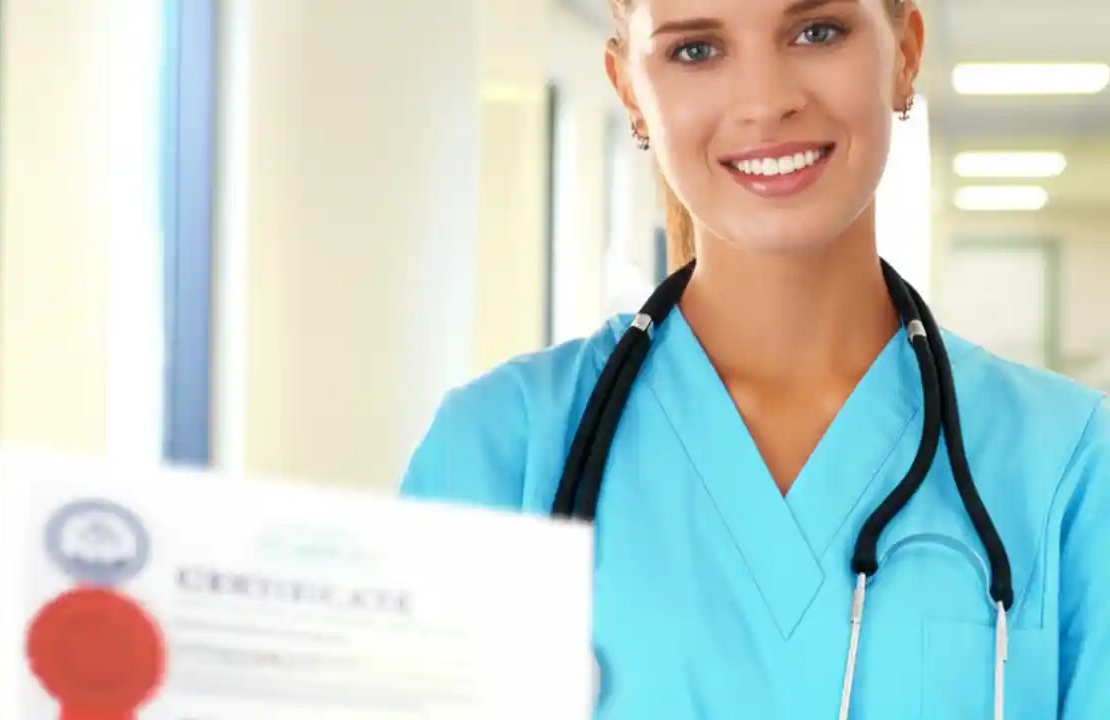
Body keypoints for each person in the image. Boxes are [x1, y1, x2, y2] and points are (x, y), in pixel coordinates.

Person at [400, 0, 1110, 717]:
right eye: (696, 51)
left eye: (817, 32)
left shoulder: (1072, 462)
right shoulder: (499, 448)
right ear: (630, 92)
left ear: (905, 53)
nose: (766, 102)